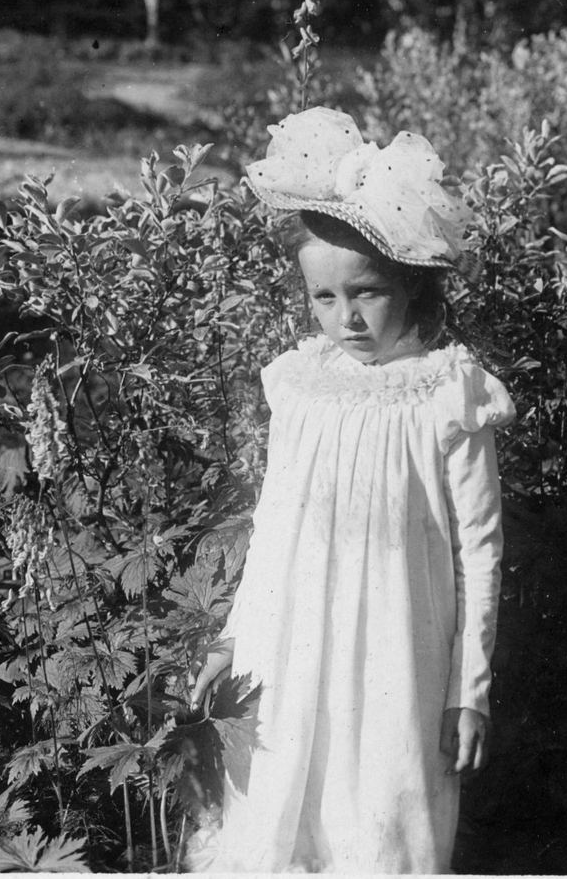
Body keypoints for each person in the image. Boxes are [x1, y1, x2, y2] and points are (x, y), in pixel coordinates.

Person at [185, 107, 514, 873]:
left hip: (398, 656)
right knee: (281, 806)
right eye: (323, 300)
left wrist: (469, 689)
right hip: (292, 649)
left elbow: (480, 552)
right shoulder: (300, 388)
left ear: (412, 285)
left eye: (366, 293)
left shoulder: (445, 397)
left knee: (379, 818)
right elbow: (274, 529)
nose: (347, 319)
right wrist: (232, 639)